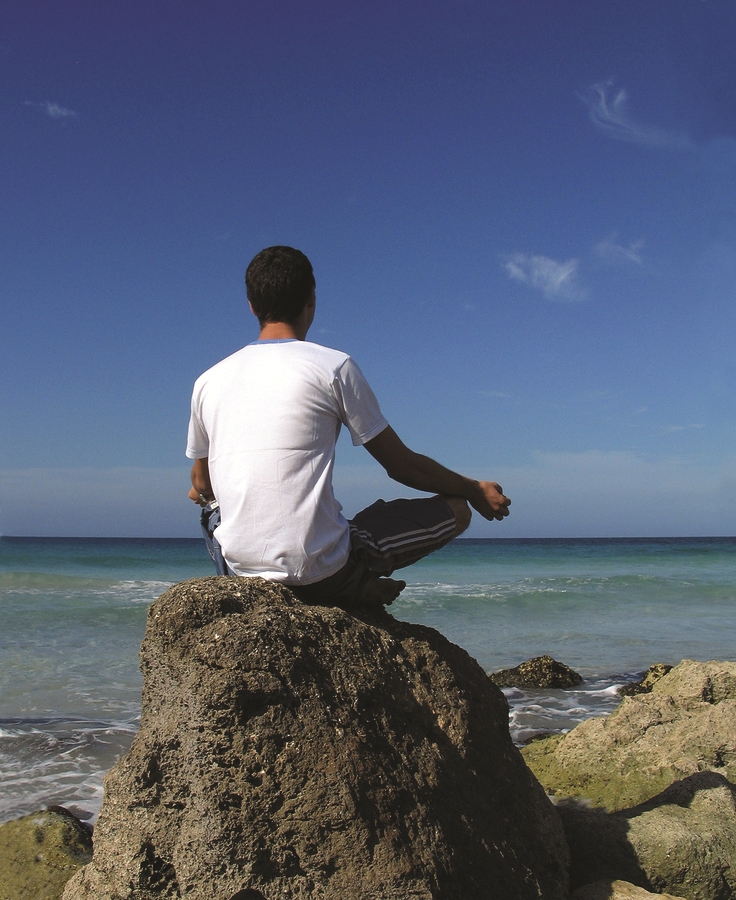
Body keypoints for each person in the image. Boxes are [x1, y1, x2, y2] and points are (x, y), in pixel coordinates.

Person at [186, 246, 510, 607]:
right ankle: (355, 587)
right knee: (457, 509)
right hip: (321, 574)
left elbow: (201, 484)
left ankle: (336, 585)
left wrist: (208, 490)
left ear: (251, 305)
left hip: (241, 575)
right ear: (311, 299)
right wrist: (474, 489)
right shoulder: (333, 367)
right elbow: (401, 466)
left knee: (209, 508)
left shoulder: (207, 382)